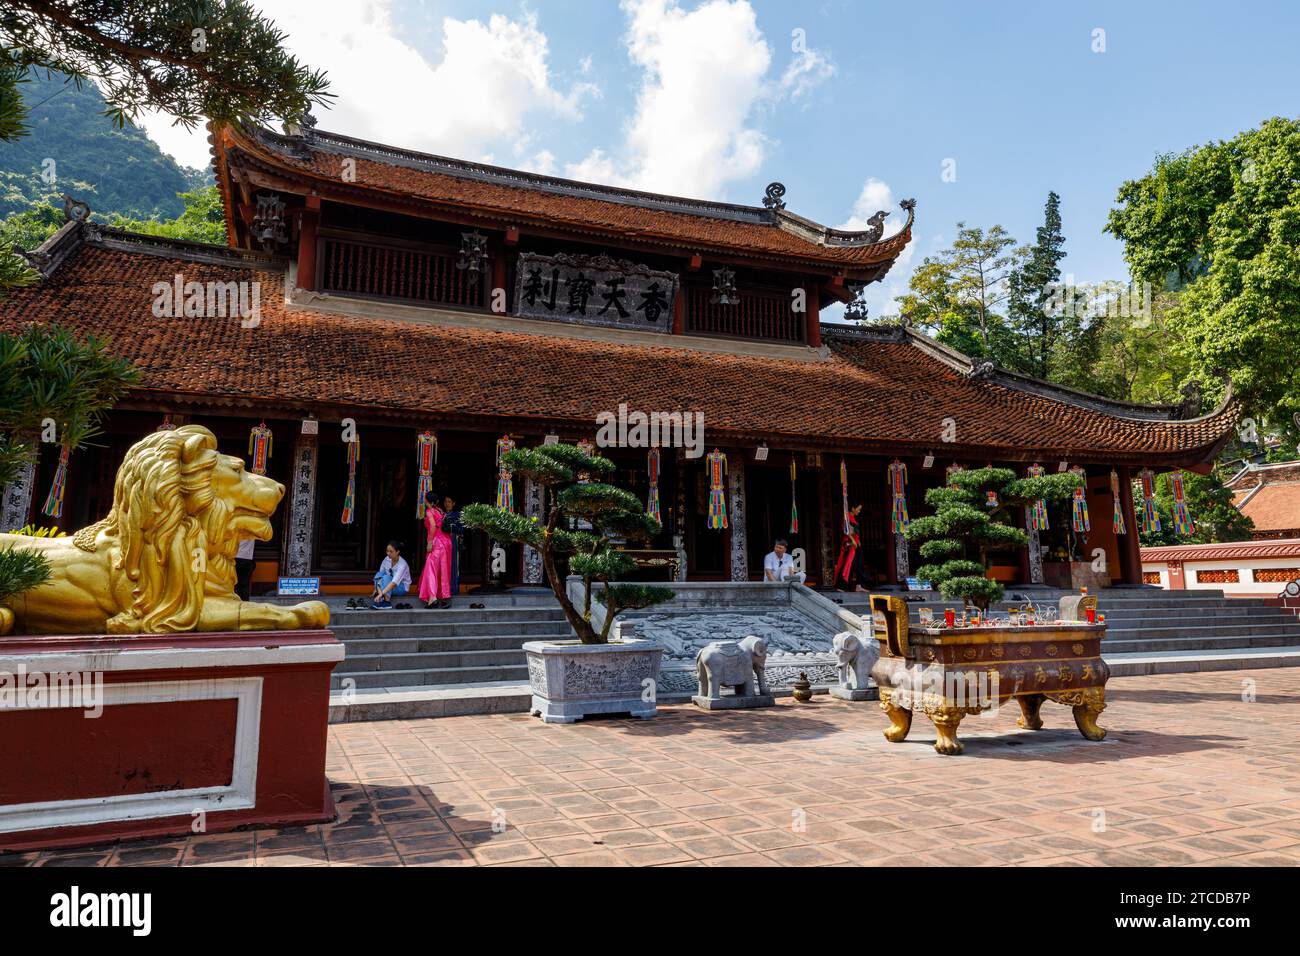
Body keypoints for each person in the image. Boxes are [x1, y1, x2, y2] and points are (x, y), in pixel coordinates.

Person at [418, 491, 453, 609]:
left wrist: (430, 542)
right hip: (446, 542)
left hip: (437, 542)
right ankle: (444, 596)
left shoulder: (429, 511)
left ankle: (433, 597)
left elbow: (433, 526)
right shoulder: (440, 510)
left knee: (431, 569)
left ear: (426, 500)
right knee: (443, 569)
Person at [835, 503, 869, 592]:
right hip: (850, 544)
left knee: (860, 565)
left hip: (856, 544)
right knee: (849, 564)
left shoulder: (853, 518)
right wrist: (853, 540)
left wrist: (858, 541)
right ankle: (842, 586)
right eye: (858, 509)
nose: (859, 511)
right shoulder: (847, 516)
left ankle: (859, 585)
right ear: (853, 508)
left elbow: (856, 532)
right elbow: (846, 530)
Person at [371, 540, 411, 609]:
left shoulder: (402, 564)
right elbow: (379, 576)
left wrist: (380, 593)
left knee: (386, 577)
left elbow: (394, 583)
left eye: (391, 551)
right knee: (379, 575)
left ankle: (386, 602)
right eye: (387, 551)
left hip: (401, 587)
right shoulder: (386, 559)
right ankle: (380, 598)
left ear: (397, 552)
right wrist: (377, 589)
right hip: (387, 584)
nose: (388, 553)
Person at [442, 494, 465, 596]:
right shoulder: (440, 514)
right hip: (441, 543)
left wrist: (451, 527)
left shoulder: (458, 515)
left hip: (452, 542)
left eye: (449, 502)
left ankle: (453, 590)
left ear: (454, 503)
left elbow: (461, 530)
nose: (447, 504)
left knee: (452, 565)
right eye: (446, 501)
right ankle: (442, 590)